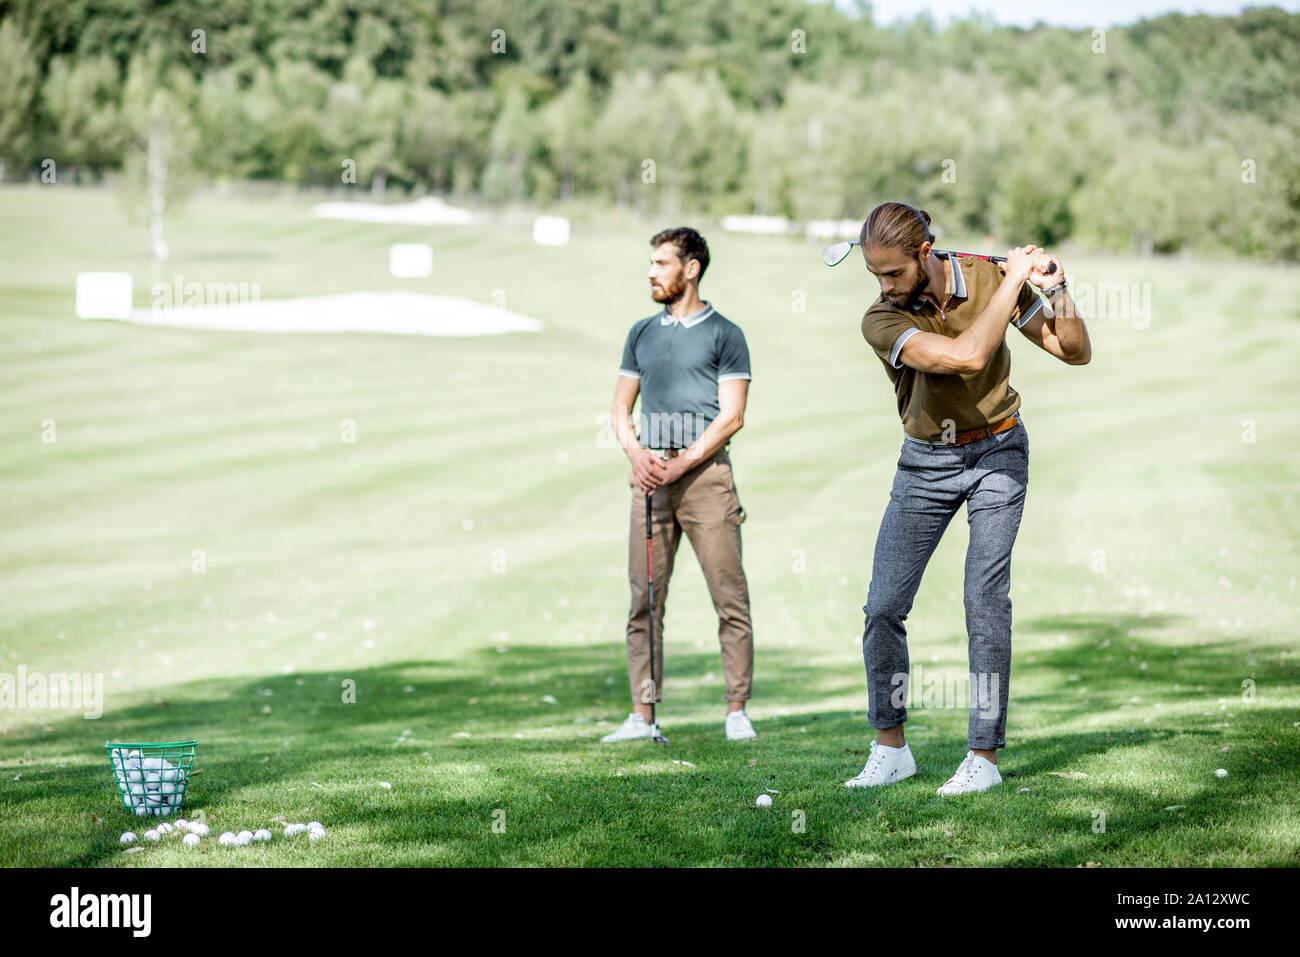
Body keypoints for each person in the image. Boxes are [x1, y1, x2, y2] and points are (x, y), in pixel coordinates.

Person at [846, 201, 1091, 794]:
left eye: (893, 273)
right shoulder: (881, 319)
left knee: (985, 597)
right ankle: (891, 747)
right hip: (924, 462)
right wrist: (1013, 278)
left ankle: (983, 757)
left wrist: (1057, 293)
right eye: (875, 275)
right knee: (883, 606)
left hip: (998, 453)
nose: (884, 286)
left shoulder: (984, 280)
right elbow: (965, 358)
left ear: (924, 252)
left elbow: (1074, 350)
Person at [603, 227, 757, 742]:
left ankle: (736, 711)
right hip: (649, 484)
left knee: (728, 596)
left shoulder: (725, 334)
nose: (651, 271)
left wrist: (681, 463)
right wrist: (638, 453)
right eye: (651, 262)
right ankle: (643, 718)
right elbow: (620, 408)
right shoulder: (640, 332)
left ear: (690, 269)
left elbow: (731, 416)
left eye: (662, 263)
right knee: (644, 601)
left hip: (707, 483)